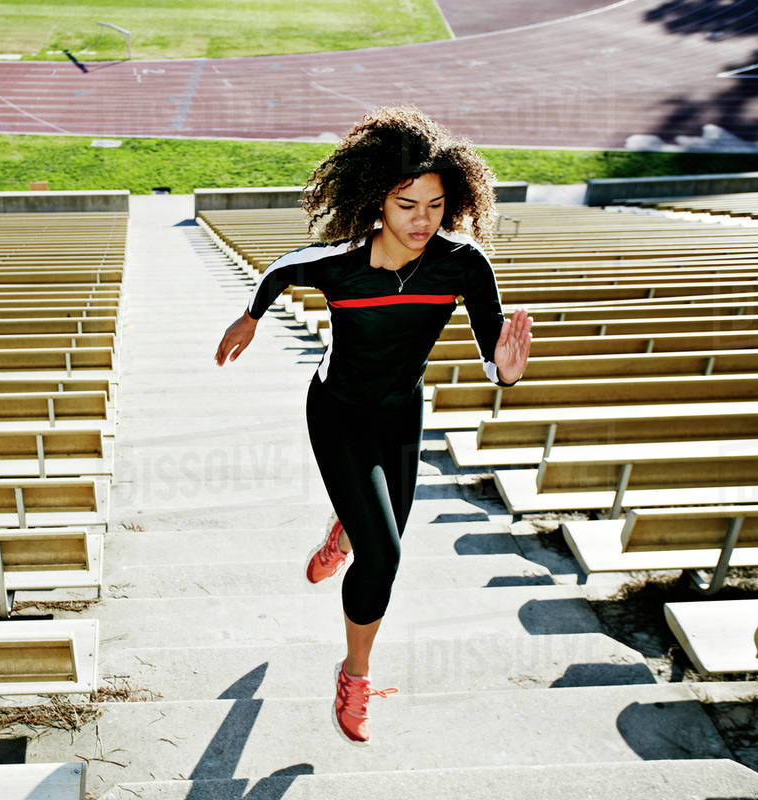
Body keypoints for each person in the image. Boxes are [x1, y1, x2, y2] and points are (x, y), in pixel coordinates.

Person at [213, 106, 532, 746]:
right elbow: (279, 270)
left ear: (454, 202)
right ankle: (354, 675)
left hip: (400, 416)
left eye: (437, 206)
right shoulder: (339, 263)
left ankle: (345, 531)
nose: (423, 220)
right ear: (377, 200)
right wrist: (250, 317)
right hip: (337, 412)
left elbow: (491, 348)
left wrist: (505, 374)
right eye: (407, 204)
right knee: (384, 553)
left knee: (377, 552)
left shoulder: (464, 265)